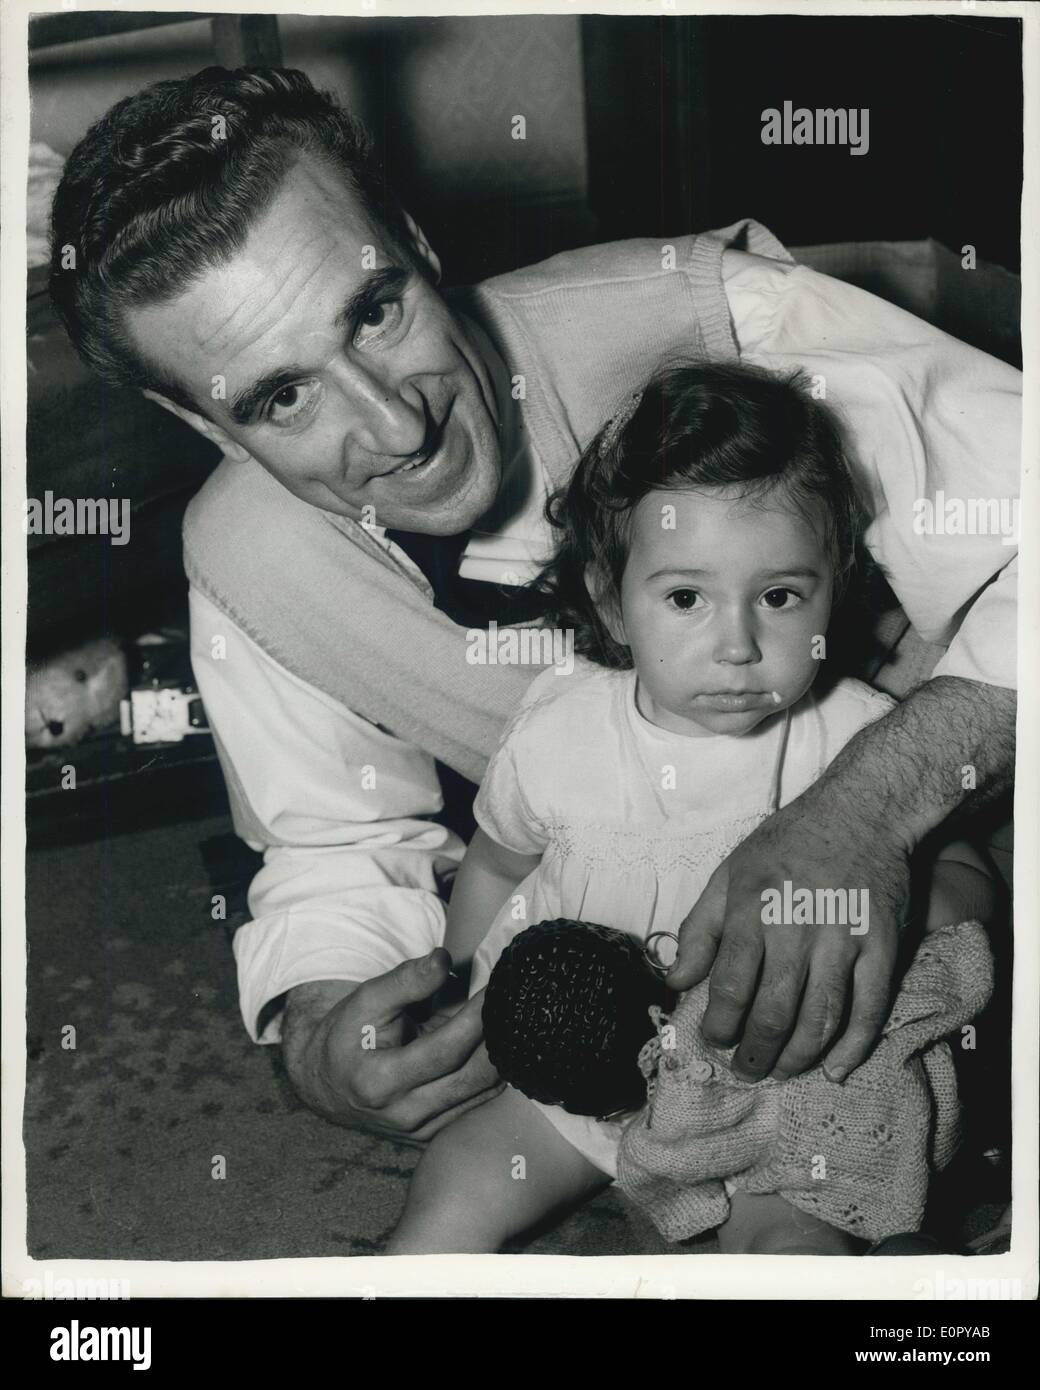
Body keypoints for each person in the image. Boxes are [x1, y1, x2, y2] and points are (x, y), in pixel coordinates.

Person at [48, 67, 1018, 1151]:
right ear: (210, 430)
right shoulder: (244, 558)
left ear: (415, 241)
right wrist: (320, 1022)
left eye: (375, 311)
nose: (395, 425)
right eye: (282, 397)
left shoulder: (724, 327)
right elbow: (334, 840)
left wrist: (863, 812)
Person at [386, 362, 997, 1254]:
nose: (739, 644)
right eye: (685, 598)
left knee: (791, 1240)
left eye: (782, 597)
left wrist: (907, 908)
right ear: (612, 599)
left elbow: (965, 878)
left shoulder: (860, 737)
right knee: (461, 1175)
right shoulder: (559, 733)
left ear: (839, 587)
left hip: (772, 1097)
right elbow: (496, 860)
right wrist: (463, 988)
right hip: (588, 1084)